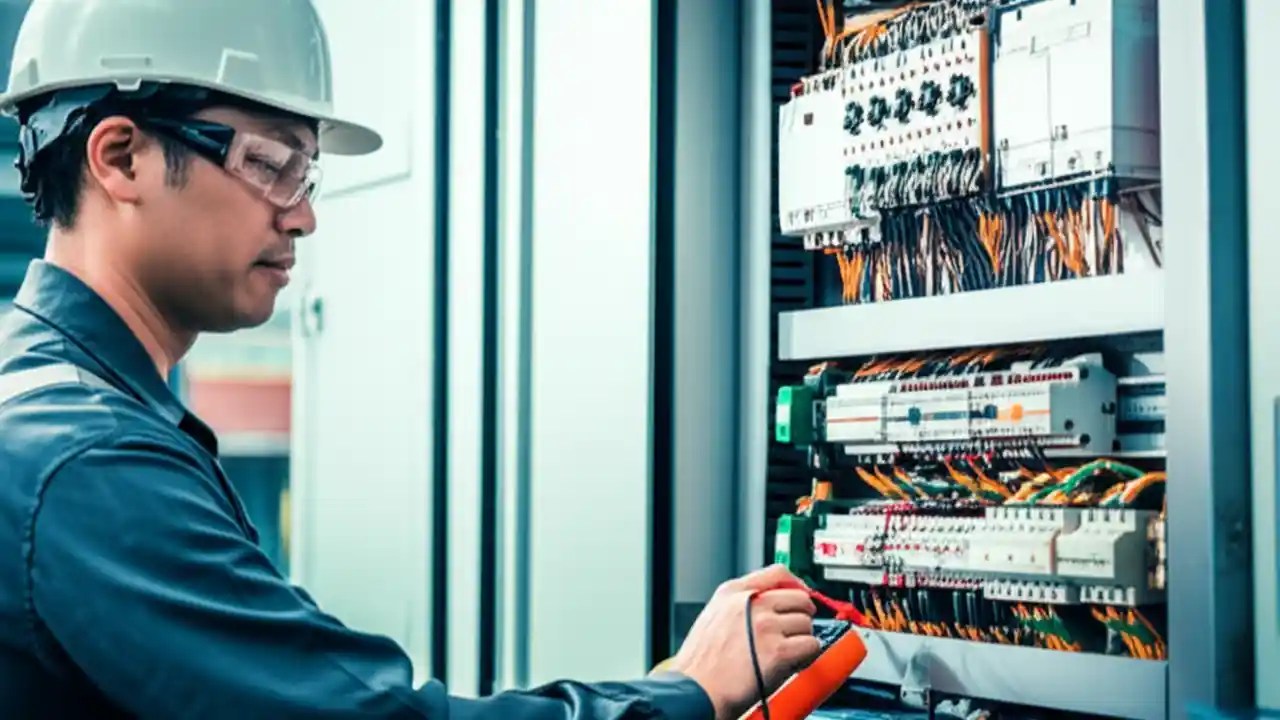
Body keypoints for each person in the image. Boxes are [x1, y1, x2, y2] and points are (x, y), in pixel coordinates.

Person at [0, 1, 824, 718]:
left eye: (308, 173)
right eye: (270, 164)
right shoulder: (89, 460)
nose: (302, 217)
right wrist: (691, 689)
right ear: (120, 158)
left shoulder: (53, 405)